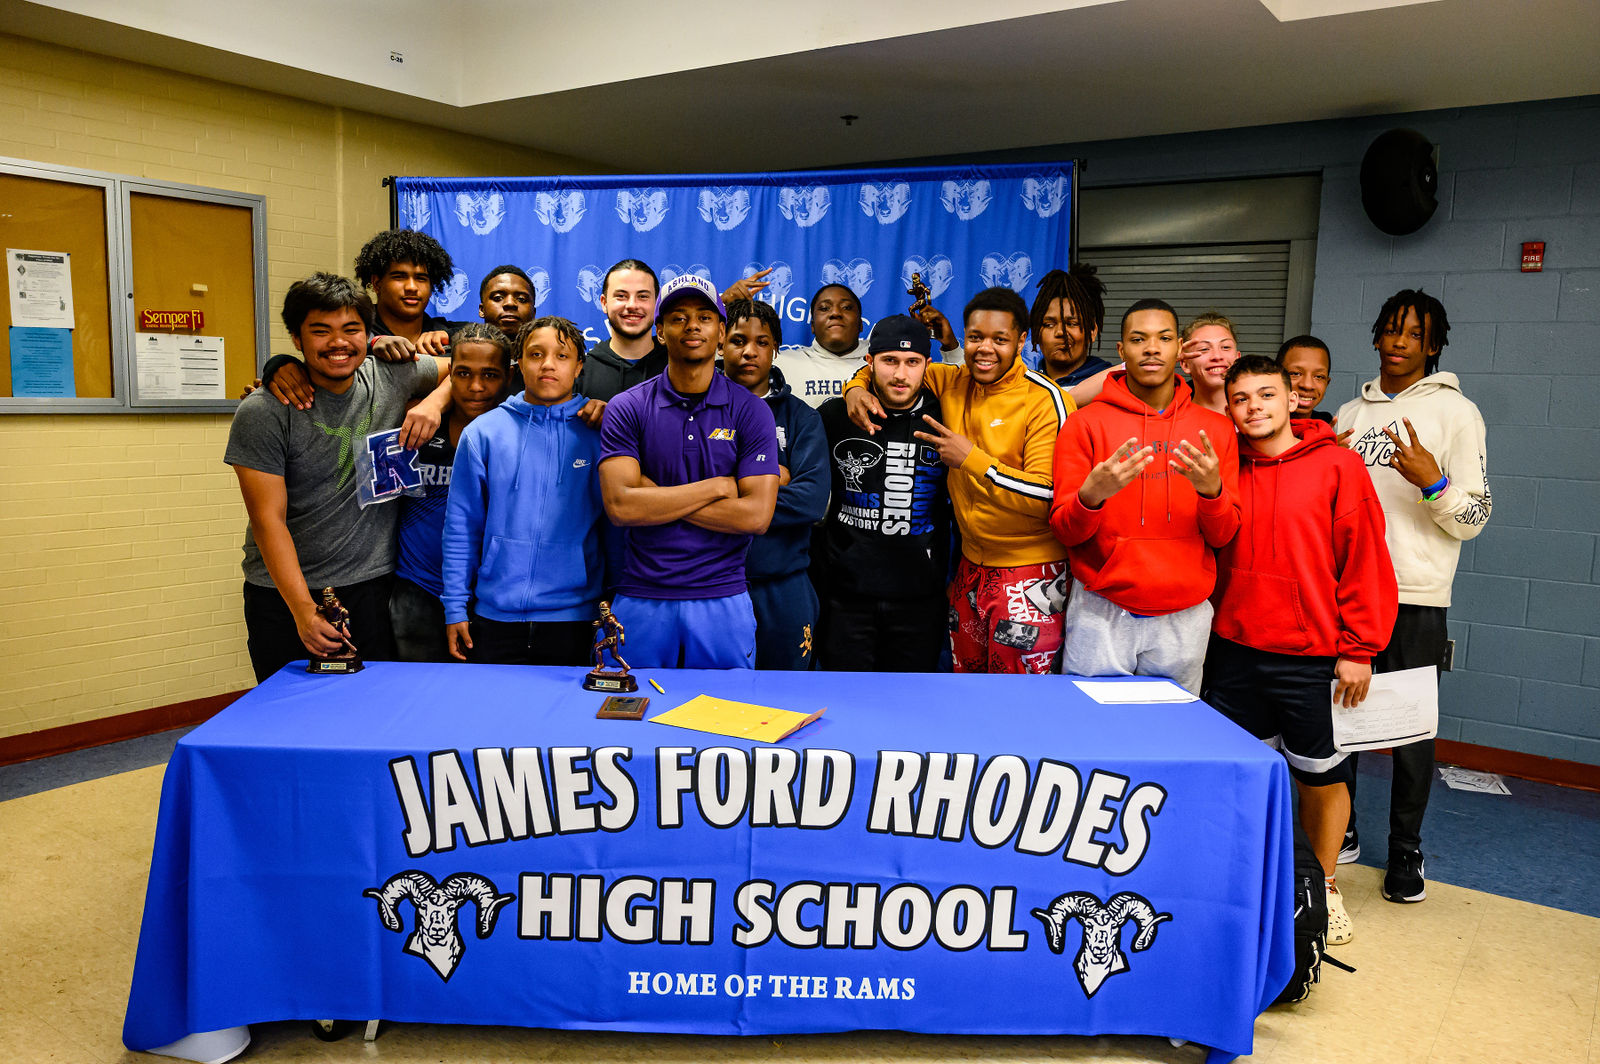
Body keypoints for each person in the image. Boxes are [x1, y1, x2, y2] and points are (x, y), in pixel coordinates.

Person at [1204, 355, 1398, 946]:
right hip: (1234, 650)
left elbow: (1365, 558)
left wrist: (1359, 648)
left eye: (1267, 394)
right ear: (1230, 408)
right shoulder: (1224, 469)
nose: (1254, 406)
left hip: (1314, 655)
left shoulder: (1338, 466)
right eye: (1241, 398)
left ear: (1293, 398)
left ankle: (1325, 887)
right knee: (1244, 774)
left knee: (1320, 777)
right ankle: (1249, 878)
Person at [1335, 289, 1490, 904]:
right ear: (1376, 336)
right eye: (1390, 330)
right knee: (1337, 720)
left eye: (1414, 334)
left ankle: (1405, 850)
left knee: (1410, 732)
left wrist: (1434, 483)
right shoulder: (1348, 414)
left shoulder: (1458, 414)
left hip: (1415, 594)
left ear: (1433, 345)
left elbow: (1474, 516)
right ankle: (1341, 828)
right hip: (1345, 591)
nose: (1399, 342)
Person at [224, 273, 451, 682]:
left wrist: (434, 403)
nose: (338, 343)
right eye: (320, 331)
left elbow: (472, 370)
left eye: (352, 330)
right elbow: (267, 521)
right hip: (285, 596)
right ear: (296, 339)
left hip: (373, 589)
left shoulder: (390, 375)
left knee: (371, 713)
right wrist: (303, 611)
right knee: (288, 720)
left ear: (369, 335)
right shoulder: (264, 411)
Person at [845, 288, 1073, 675]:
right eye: (976, 337)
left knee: (1020, 701)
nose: (985, 349)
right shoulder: (950, 379)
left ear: (1021, 340)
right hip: (968, 569)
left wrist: (973, 461)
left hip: (1031, 572)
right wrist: (854, 388)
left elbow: (1050, 497)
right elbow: (885, 366)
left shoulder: (1044, 398)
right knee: (963, 690)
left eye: (1000, 339)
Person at [1048, 299, 1240, 696]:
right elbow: (1065, 532)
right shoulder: (1085, 425)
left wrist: (1211, 493)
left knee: (1173, 734)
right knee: (1093, 731)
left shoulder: (1215, 431)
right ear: (1121, 351)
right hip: (1102, 609)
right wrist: (1091, 497)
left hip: (1184, 614)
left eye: (1164, 338)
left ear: (1180, 349)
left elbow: (1223, 537)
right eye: (1138, 339)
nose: (1151, 348)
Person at [597, 275, 779, 669]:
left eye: (704, 317)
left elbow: (756, 516)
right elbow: (621, 507)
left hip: (723, 599)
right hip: (641, 596)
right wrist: (717, 487)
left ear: (721, 331)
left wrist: (652, 493)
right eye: (678, 317)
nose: (692, 326)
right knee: (625, 724)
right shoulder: (627, 407)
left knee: (724, 725)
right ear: (659, 331)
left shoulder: (751, 411)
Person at [441, 317, 605, 666]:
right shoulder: (483, 433)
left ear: (578, 367)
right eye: (536, 354)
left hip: (575, 619)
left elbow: (616, 529)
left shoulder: (600, 434)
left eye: (561, 356)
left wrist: (613, 605)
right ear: (519, 365)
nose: (548, 364)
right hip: (494, 617)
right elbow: (461, 528)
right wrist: (455, 607)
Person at [820, 315, 952, 672]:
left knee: (912, 710)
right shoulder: (834, 415)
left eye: (912, 363)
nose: (900, 374)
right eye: (889, 361)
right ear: (869, 362)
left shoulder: (948, 417)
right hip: (846, 599)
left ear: (927, 365)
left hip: (920, 599)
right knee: (846, 706)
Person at [389, 323, 511, 662]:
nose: (475, 387)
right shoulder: (415, 422)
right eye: (463, 374)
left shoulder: (517, 434)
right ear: (448, 377)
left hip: (490, 594)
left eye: (490, 375)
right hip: (417, 587)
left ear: (508, 378)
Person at [721, 299, 829, 670]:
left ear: (776, 350)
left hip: (784, 583)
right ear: (720, 343)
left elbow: (811, 501)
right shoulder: (696, 408)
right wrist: (772, 479)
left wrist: (727, 492)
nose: (749, 351)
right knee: (714, 699)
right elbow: (680, 488)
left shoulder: (802, 417)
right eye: (737, 340)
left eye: (762, 342)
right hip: (710, 583)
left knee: (788, 696)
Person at [353, 228, 458, 362]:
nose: (412, 287)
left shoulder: (443, 332)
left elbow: (490, 333)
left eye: (421, 278)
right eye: (399, 277)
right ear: (377, 283)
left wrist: (449, 335)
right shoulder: (356, 328)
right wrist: (371, 346)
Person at [576, 259, 667, 403]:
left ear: (656, 303)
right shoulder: (581, 373)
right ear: (604, 303)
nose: (632, 305)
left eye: (643, 296)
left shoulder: (678, 365)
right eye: (621, 296)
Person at [777, 284, 876, 408]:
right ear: (812, 326)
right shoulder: (782, 363)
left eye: (846, 307)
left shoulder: (882, 363)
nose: (835, 313)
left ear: (861, 324)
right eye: (824, 308)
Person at [1027, 265, 1114, 387]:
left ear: (1092, 331)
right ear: (1036, 334)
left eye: (1072, 324)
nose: (1060, 332)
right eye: (1049, 324)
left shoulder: (1113, 384)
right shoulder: (1023, 388)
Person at [1180, 311, 1240, 415]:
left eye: (1225, 347)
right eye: (1204, 349)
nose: (1217, 356)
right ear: (1185, 364)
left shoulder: (1257, 416)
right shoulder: (1173, 419)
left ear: (1238, 358)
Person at [1277, 334, 1334, 423]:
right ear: (1274, 378)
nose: (1307, 385)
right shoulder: (1256, 426)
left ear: (1327, 383)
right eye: (1296, 374)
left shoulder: (1325, 424)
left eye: (1318, 376)